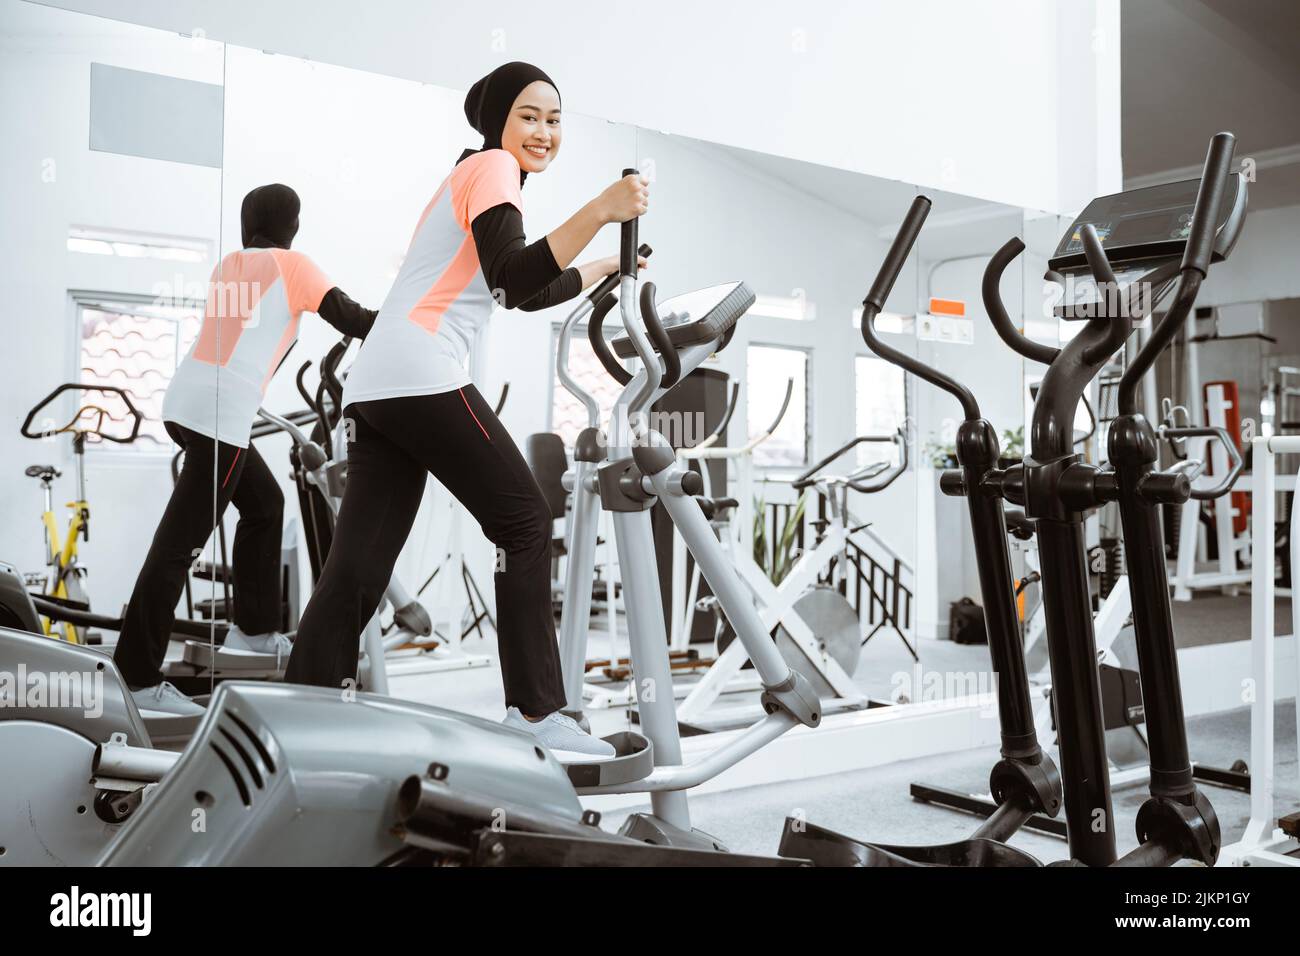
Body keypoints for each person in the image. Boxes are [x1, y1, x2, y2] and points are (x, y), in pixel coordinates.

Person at [284, 61, 647, 761]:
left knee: (358, 564)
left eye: (553, 119)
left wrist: (598, 268)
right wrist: (603, 207)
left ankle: (305, 714)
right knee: (524, 520)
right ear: (499, 124)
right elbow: (515, 274)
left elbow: (519, 292)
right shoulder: (491, 169)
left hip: (378, 381)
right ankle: (537, 713)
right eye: (529, 117)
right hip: (420, 369)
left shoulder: (474, 179)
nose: (543, 131)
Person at [113, 184, 378, 717]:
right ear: (292, 224)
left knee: (265, 504)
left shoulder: (228, 265)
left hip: (187, 402)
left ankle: (254, 630)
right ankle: (137, 678)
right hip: (221, 414)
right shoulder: (294, 264)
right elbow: (351, 317)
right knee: (178, 547)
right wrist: (412, 327)